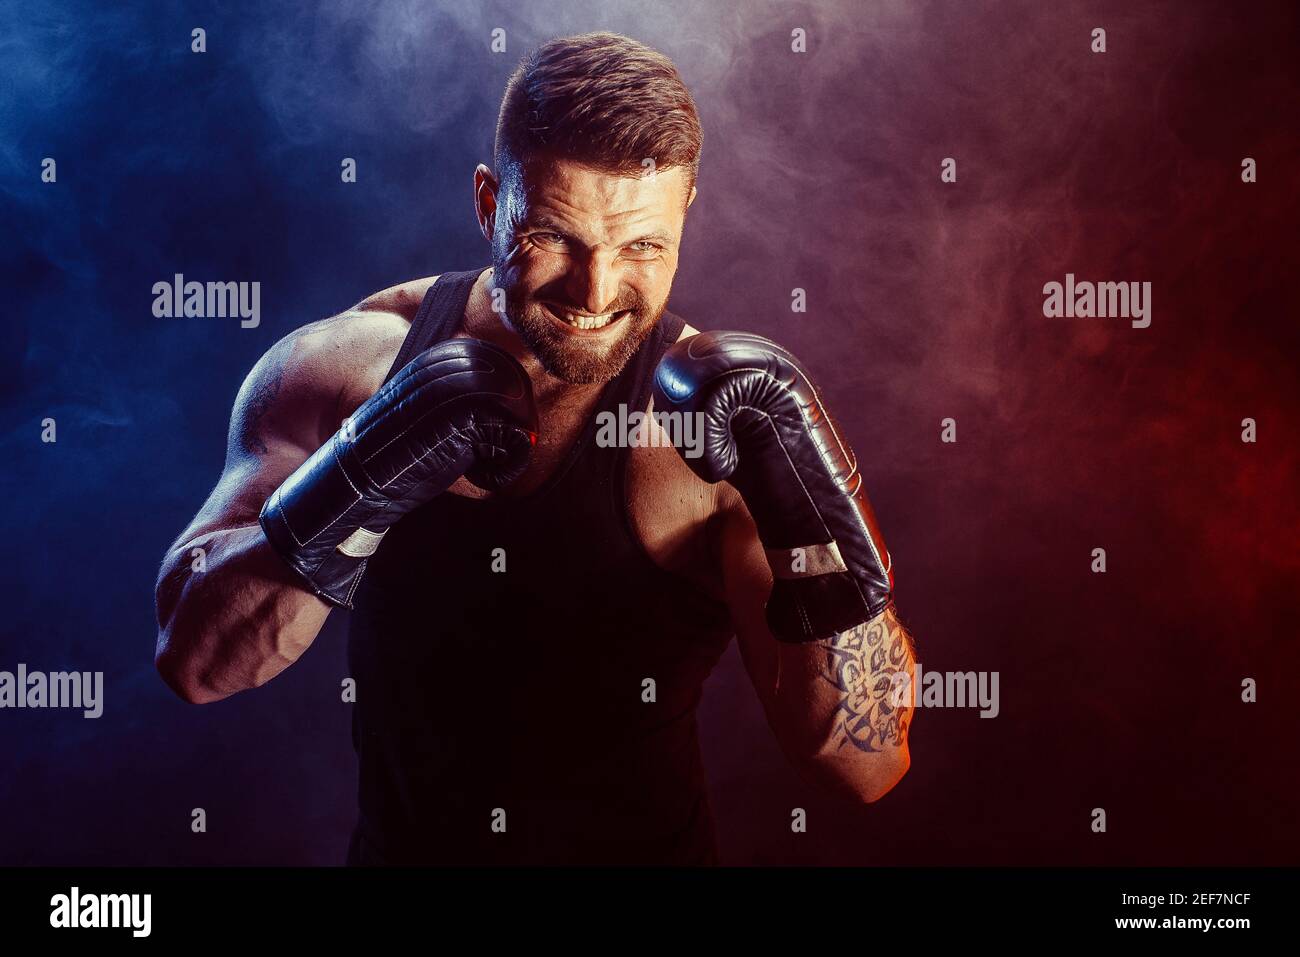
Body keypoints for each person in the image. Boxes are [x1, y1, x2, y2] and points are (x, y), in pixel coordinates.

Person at [154, 31, 914, 865]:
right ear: (490, 204)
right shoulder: (345, 369)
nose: (595, 290)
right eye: (554, 236)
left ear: (686, 209)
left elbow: (866, 765)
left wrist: (810, 511)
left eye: (642, 247)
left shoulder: (721, 437)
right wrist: (359, 470)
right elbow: (197, 664)